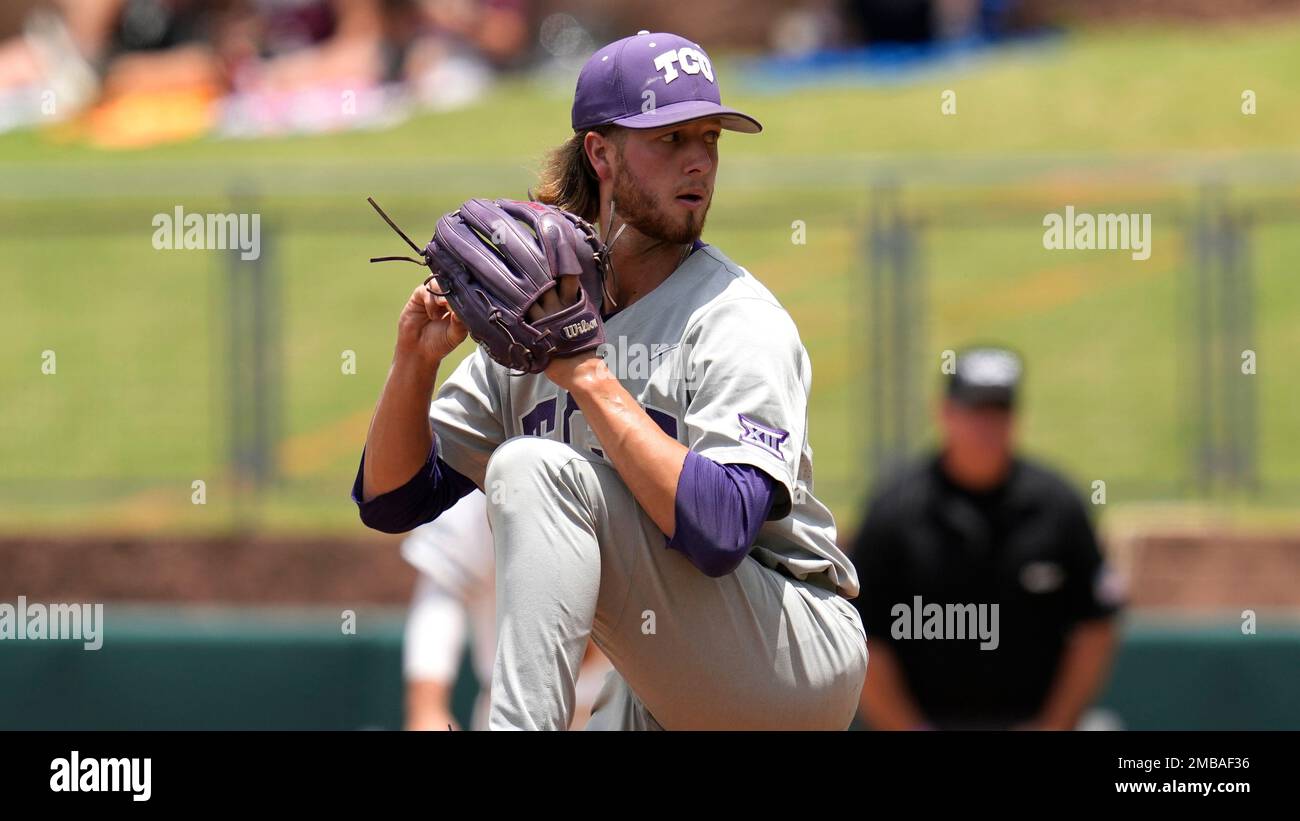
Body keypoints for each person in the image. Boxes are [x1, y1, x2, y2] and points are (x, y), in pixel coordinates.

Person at [353, 30, 867, 730]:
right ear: (600, 152)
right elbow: (393, 497)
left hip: (786, 645)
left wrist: (585, 372)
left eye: (709, 138)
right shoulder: (542, 315)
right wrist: (414, 364)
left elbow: (721, 530)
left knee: (536, 466)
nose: (699, 162)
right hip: (664, 681)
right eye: (671, 137)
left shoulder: (734, 317)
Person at [849, 346, 1124, 730]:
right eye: (975, 411)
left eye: (1000, 412)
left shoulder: (1056, 504)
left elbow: (1097, 624)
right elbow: (861, 635)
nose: (987, 426)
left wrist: (1053, 726)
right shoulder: (896, 510)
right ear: (944, 412)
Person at [401, 490, 612, 731]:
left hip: (631, 709)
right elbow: (444, 585)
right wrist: (427, 708)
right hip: (511, 713)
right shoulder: (483, 471)